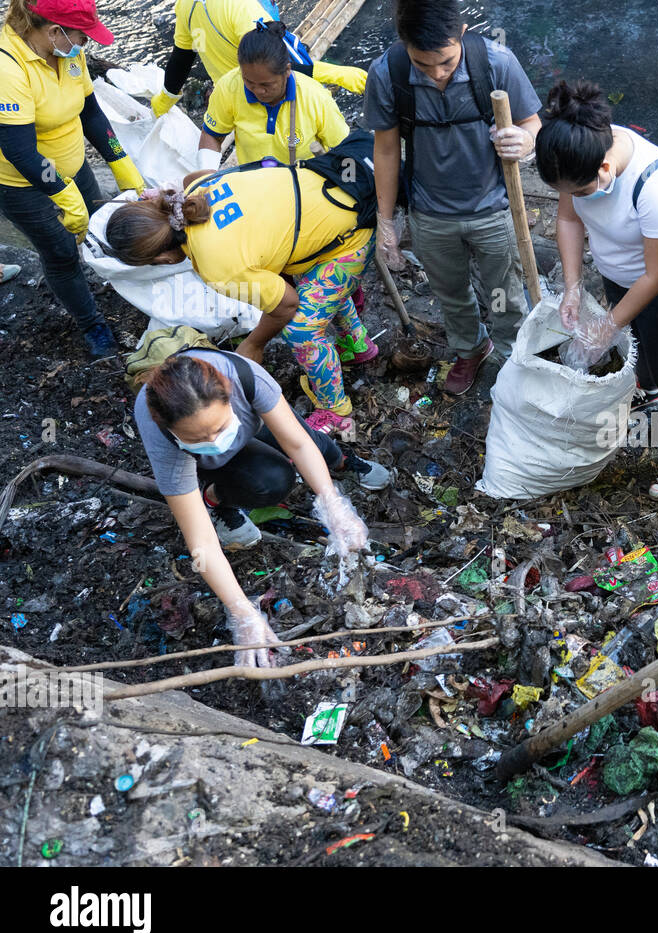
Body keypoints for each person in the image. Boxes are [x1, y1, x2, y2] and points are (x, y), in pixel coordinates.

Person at [134, 349, 390, 667]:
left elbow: (297, 443)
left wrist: (334, 506)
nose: (215, 438)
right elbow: (200, 542)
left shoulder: (246, 378)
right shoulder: (162, 437)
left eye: (218, 426)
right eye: (200, 435)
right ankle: (216, 498)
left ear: (229, 395)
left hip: (250, 421)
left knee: (315, 443)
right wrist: (240, 609)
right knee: (272, 480)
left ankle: (343, 459)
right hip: (204, 462)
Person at [534, 79, 658, 498]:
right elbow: (570, 220)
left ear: (605, 169)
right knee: (639, 341)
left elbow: (657, 275)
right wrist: (573, 286)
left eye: (578, 190)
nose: (571, 197)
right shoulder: (575, 156)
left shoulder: (657, 187)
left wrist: (608, 323)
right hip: (619, 275)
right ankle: (645, 392)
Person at [104, 170, 375, 436]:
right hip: (332, 197)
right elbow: (204, 175)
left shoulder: (215, 264)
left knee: (300, 329)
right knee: (314, 286)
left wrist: (254, 343)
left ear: (161, 259)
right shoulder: (196, 189)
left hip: (351, 236)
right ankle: (356, 343)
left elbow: (285, 305)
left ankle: (337, 412)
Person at [365, 0, 541, 395]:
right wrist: (386, 220)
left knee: (503, 292)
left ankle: (514, 355)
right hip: (430, 211)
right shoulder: (387, 72)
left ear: (461, 32)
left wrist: (525, 140)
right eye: (424, 65)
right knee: (450, 292)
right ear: (404, 43)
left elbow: (532, 122)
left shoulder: (496, 62)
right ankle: (470, 348)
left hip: (494, 206)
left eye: (445, 62)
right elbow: (387, 149)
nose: (437, 74)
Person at [0, 0, 146, 356]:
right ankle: (91, 324)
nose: (87, 45)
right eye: (83, 37)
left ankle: (113, 282)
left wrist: (120, 160)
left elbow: (92, 114)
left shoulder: (67, 52)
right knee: (62, 252)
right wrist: (62, 194)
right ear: (55, 32)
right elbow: (20, 151)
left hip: (74, 163)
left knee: (98, 226)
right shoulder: (8, 68)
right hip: (23, 183)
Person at [152, 0, 366, 117]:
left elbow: (181, 58)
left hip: (231, 103)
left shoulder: (186, 5)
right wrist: (339, 75)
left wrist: (163, 101)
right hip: (269, 98)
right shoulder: (242, 8)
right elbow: (287, 63)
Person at [197, 20, 349, 169]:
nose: (257, 91)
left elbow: (346, 149)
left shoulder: (316, 98)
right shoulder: (229, 87)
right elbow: (212, 135)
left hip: (305, 185)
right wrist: (206, 175)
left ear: (287, 70)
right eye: (248, 81)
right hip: (254, 182)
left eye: (266, 84)